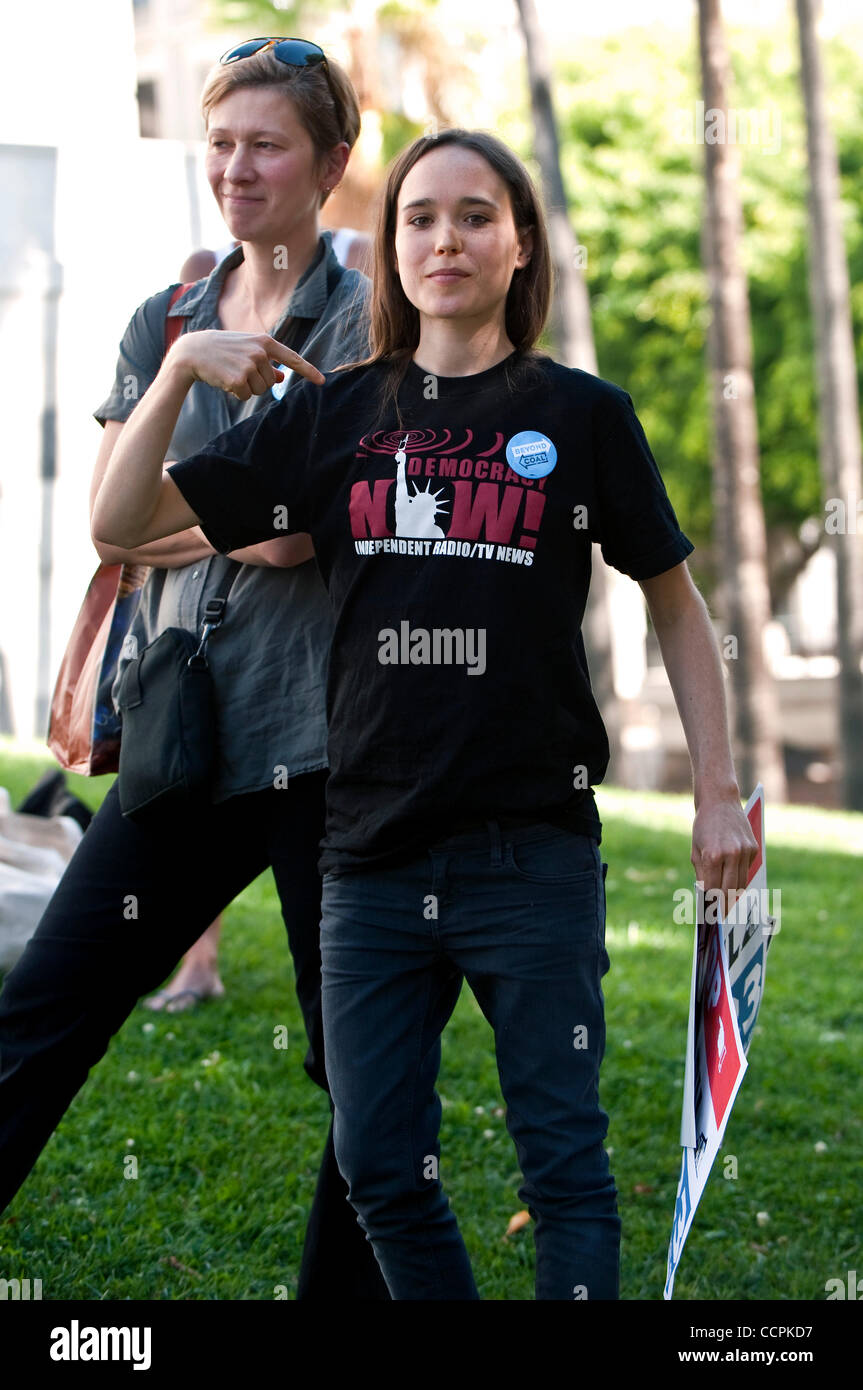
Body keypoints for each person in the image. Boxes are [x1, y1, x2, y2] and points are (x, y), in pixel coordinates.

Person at [92, 127, 759, 1300]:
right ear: (392, 245)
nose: (442, 238)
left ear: (518, 245)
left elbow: (673, 602)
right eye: (417, 216)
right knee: (378, 1165)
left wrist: (714, 789)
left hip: (532, 852)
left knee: (564, 1167)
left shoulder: (582, 414)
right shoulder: (334, 413)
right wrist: (183, 367)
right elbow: (121, 527)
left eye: (472, 215)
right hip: (370, 855)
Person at [0, 37, 391, 1301]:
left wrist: (190, 512)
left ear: (329, 164)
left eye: (266, 143)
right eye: (221, 142)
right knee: (43, 1009)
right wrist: (179, 374)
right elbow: (116, 528)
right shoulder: (164, 316)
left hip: (329, 748)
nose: (236, 167)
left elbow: (300, 529)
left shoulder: (372, 324)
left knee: (359, 1074)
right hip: (183, 736)